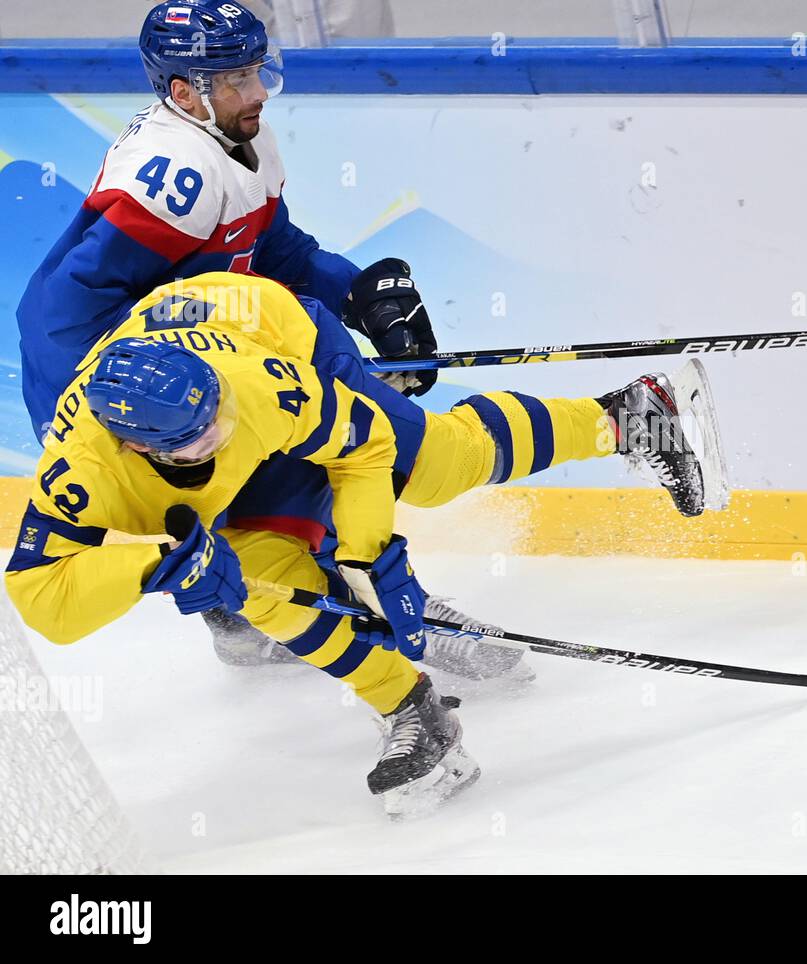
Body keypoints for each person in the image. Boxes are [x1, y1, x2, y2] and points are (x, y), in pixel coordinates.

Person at [3, 272, 724, 814]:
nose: (222, 435)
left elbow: (364, 447)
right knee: (262, 582)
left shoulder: (253, 392)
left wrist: (374, 555)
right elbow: (40, 599)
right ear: (135, 447)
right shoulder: (81, 469)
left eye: (217, 418)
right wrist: (154, 566)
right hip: (189, 385)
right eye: (199, 440)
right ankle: (409, 704)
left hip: (283, 332)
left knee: (434, 466)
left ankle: (627, 417)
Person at [15, 1, 445, 667]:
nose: (256, 94)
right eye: (234, 80)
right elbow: (67, 309)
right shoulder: (173, 176)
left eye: (255, 72)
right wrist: (120, 406)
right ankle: (312, 613)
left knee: (298, 442)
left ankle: (272, 617)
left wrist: (361, 294)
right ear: (183, 93)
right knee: (253, 463)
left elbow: (275, 251)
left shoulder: (239, 138)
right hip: (85, 369)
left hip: (185, 345)